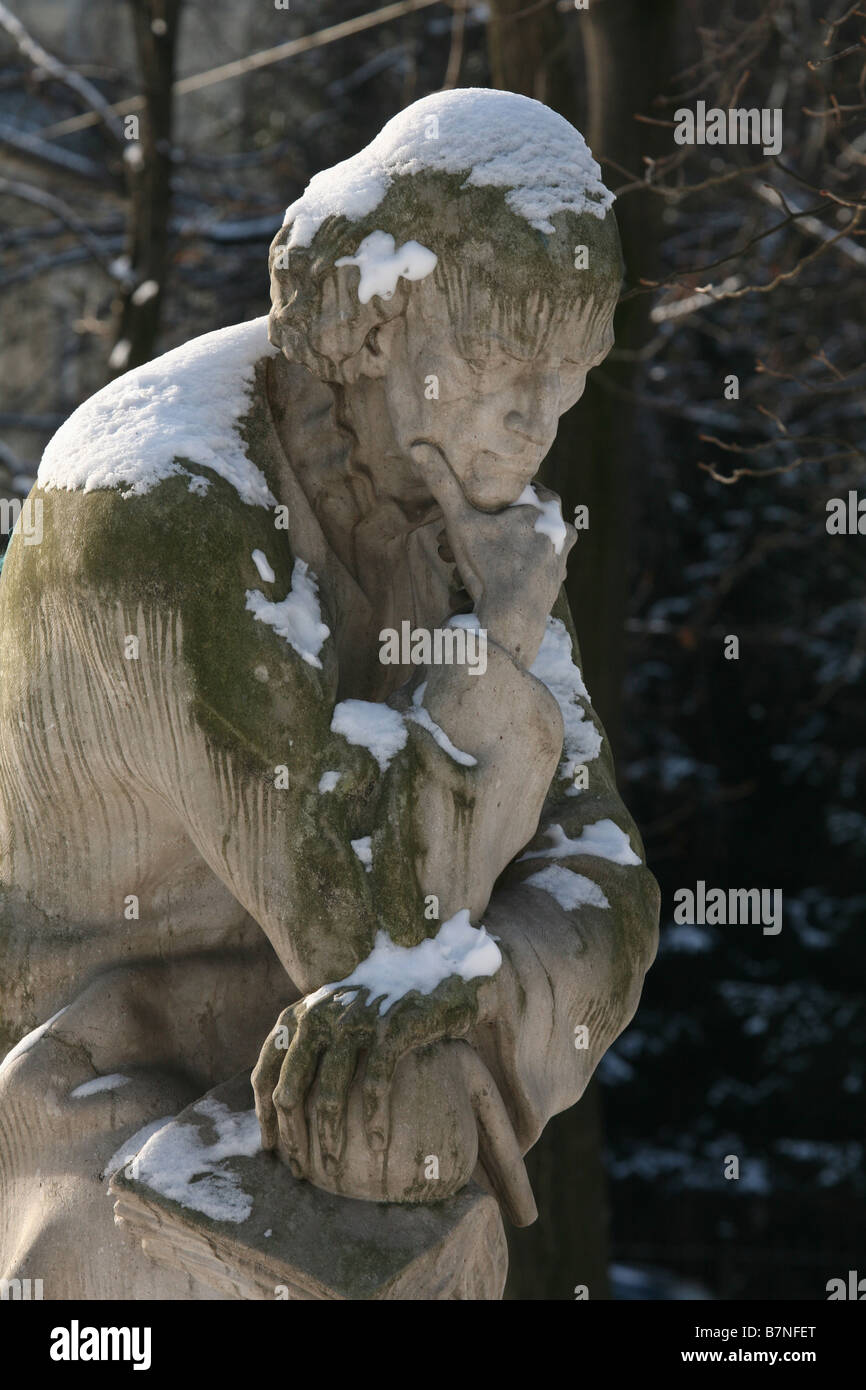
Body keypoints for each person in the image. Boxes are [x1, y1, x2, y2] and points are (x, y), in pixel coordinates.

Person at [0, 88, 658, 1298]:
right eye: (499, 355)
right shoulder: (162, 509)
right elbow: (364, 930)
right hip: (91, 1124)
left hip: (357, 1160)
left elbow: (605, 883)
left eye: (566, 373)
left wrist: (442, 1031)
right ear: (371, 315)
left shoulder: (478, 518)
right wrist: (492, 655)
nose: (534, 416)